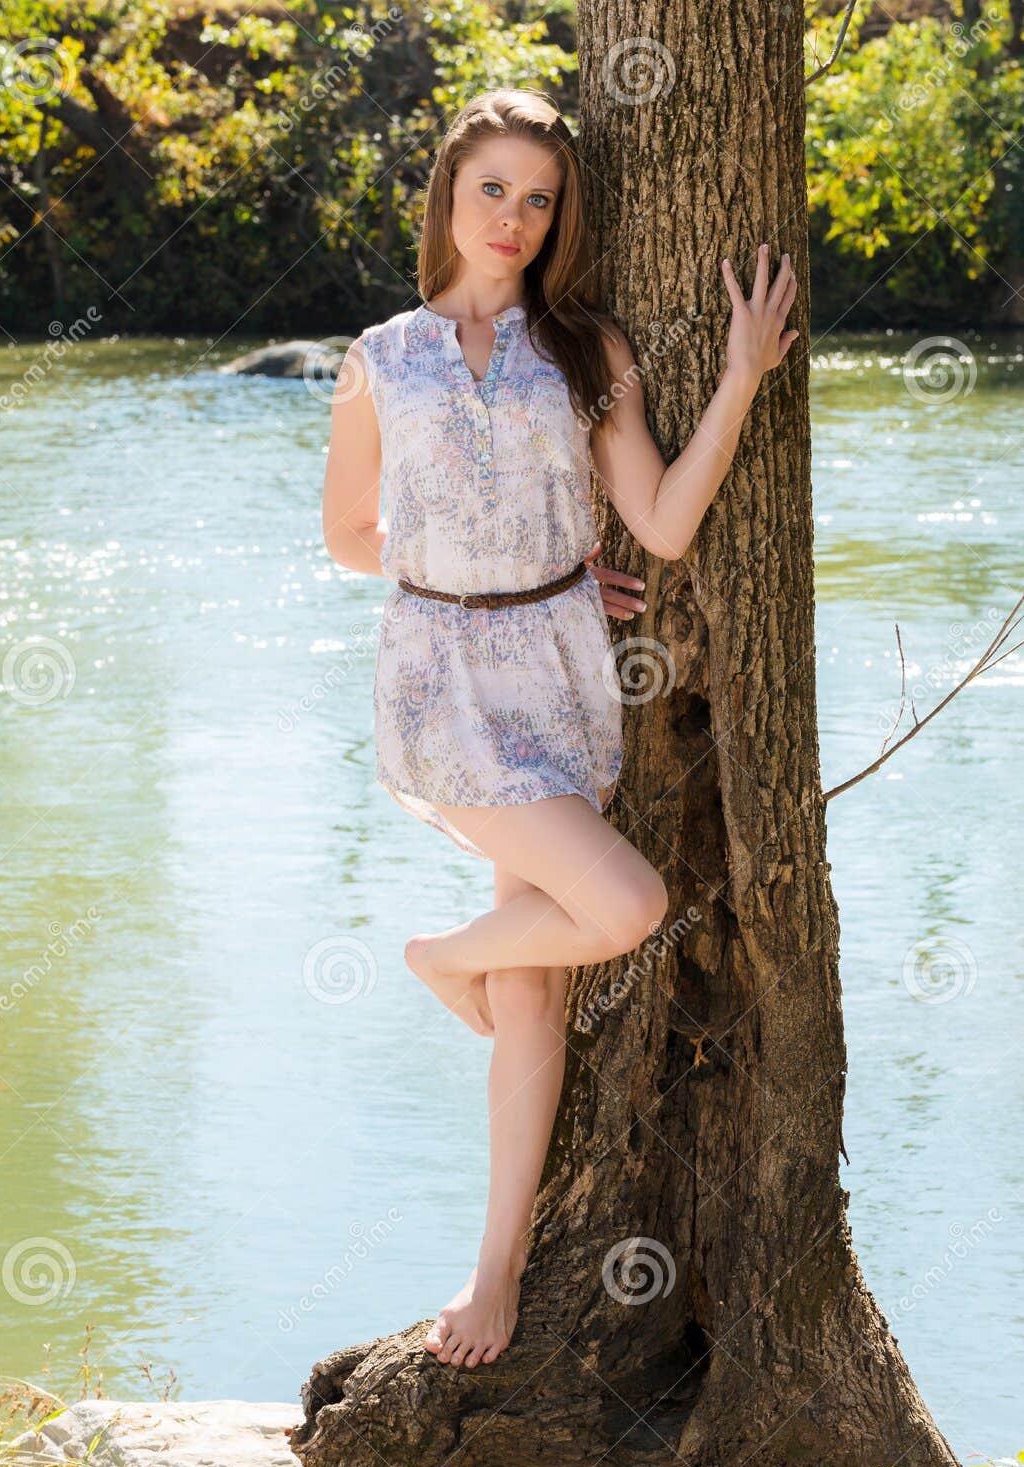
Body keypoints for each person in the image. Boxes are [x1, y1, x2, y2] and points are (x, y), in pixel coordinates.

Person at [322, 88, 798, 1372]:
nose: (515, 220)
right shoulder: (381, 356)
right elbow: (348, 536)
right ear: (448, 194)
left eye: (539, 199)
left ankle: (497, 1280)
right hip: (437, 678)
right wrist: (469, 559)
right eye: (494, 190)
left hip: (560, 672)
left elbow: (663, 524)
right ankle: (439, 954)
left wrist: (745, 378)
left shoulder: (590, 352)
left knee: (534, 994)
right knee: (629, 906)